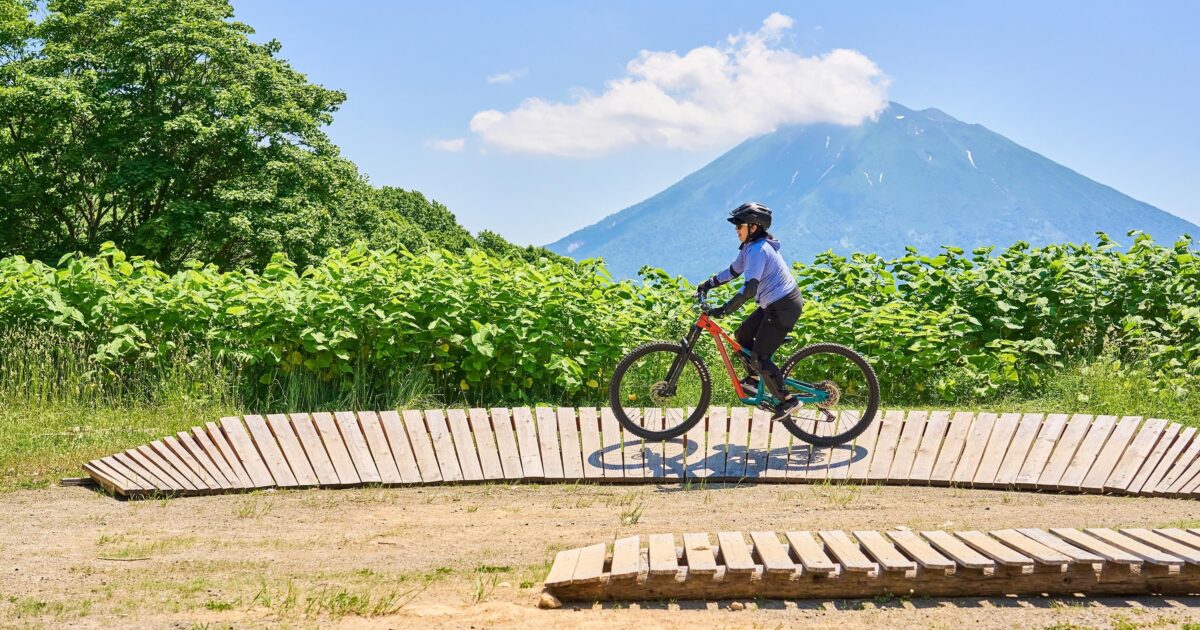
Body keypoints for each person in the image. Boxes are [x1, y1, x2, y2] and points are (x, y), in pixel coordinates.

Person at [696, 202, 804, 420]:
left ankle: (789, 400)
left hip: (783, 306)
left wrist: (725, 309)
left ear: (753, 227)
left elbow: (749, 289)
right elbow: (734, 271)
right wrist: (709, 284)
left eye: (739, 226)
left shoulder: (758, 250)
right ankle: (755, 380)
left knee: (760, 357)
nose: (736, 231)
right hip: (771, 304)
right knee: (742, 335)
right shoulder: (749, 247)